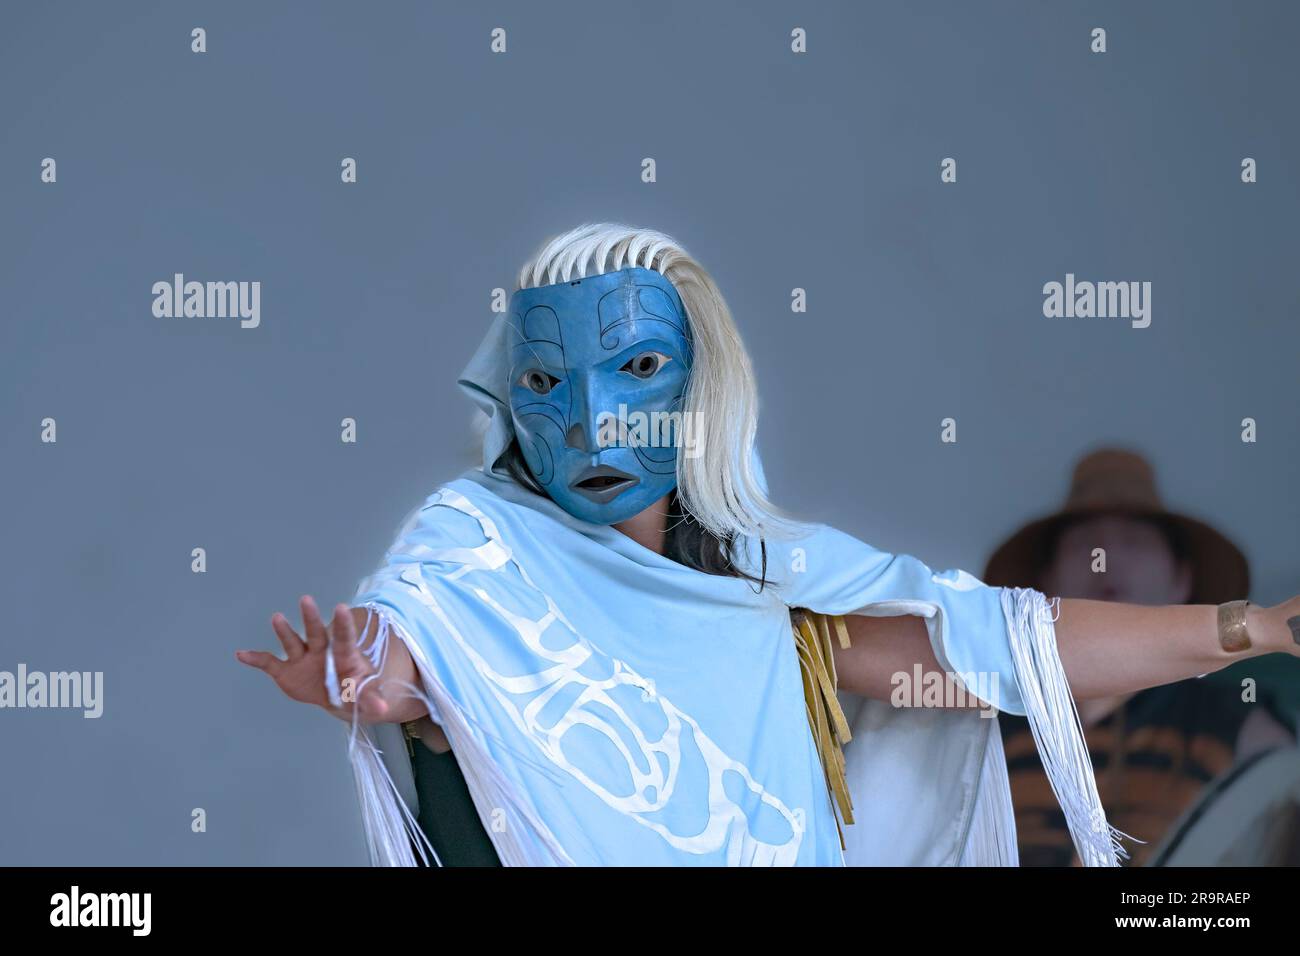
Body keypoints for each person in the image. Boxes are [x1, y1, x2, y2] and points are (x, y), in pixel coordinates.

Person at [236, 223, 1300, 866]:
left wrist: (1248, 627)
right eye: (551, 382)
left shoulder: (773, 593)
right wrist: (376, 673)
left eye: (637, 369)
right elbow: (406, 631)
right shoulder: (474, 552)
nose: (595, 421)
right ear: (515, 399)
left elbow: (1003, 644)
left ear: (701, 386)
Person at [984, 448, 1296, 865]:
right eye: (1084, 544)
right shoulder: (982, 722)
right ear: (1043, 585)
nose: (1107, 560)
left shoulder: (1239, 723)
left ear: (1181, 580)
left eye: (1134, 541)